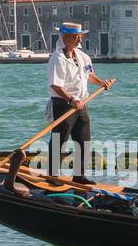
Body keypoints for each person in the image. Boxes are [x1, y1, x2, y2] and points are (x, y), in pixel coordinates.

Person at [45, 22, 112, 181]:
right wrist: (71, 100)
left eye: (80, 36)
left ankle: (79, 175)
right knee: (59, 140)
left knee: (84, 140)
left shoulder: (83, 57)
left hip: (81, 104)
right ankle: (53, 176)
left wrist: (101, 83)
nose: (80, 40)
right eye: (76, 37)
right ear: (65, 37)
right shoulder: (57, 58)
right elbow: (55, 85)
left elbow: (89, 75)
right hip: (63, 104)